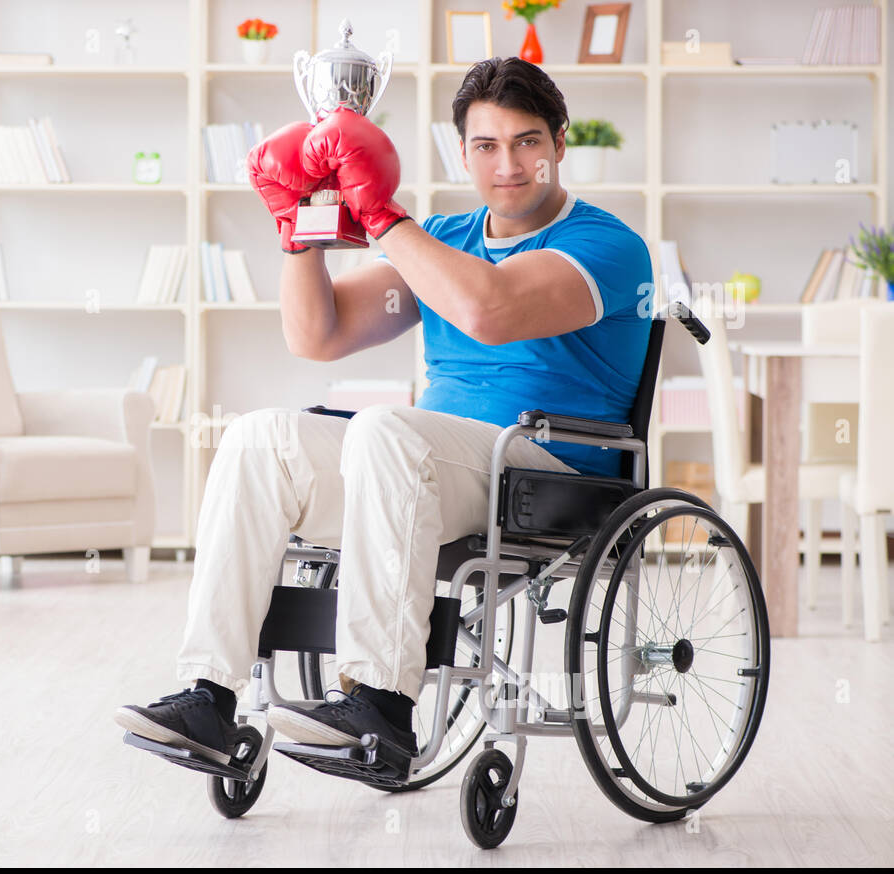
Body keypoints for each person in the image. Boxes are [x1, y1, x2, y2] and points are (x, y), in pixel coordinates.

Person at [114, 56, 654, 771]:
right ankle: (208, 696)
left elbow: (488, 308)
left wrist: (379, 215)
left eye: (527, 141)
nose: (510, 165)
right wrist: (298, 227)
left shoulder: (609, 245)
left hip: (545, 473)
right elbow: (319, 334)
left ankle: (381, 705)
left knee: (385, 429)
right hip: (420, 470)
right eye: (487, 146)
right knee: (257, 437)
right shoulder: (444, 237)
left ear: (559, 143)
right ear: (462, 153)